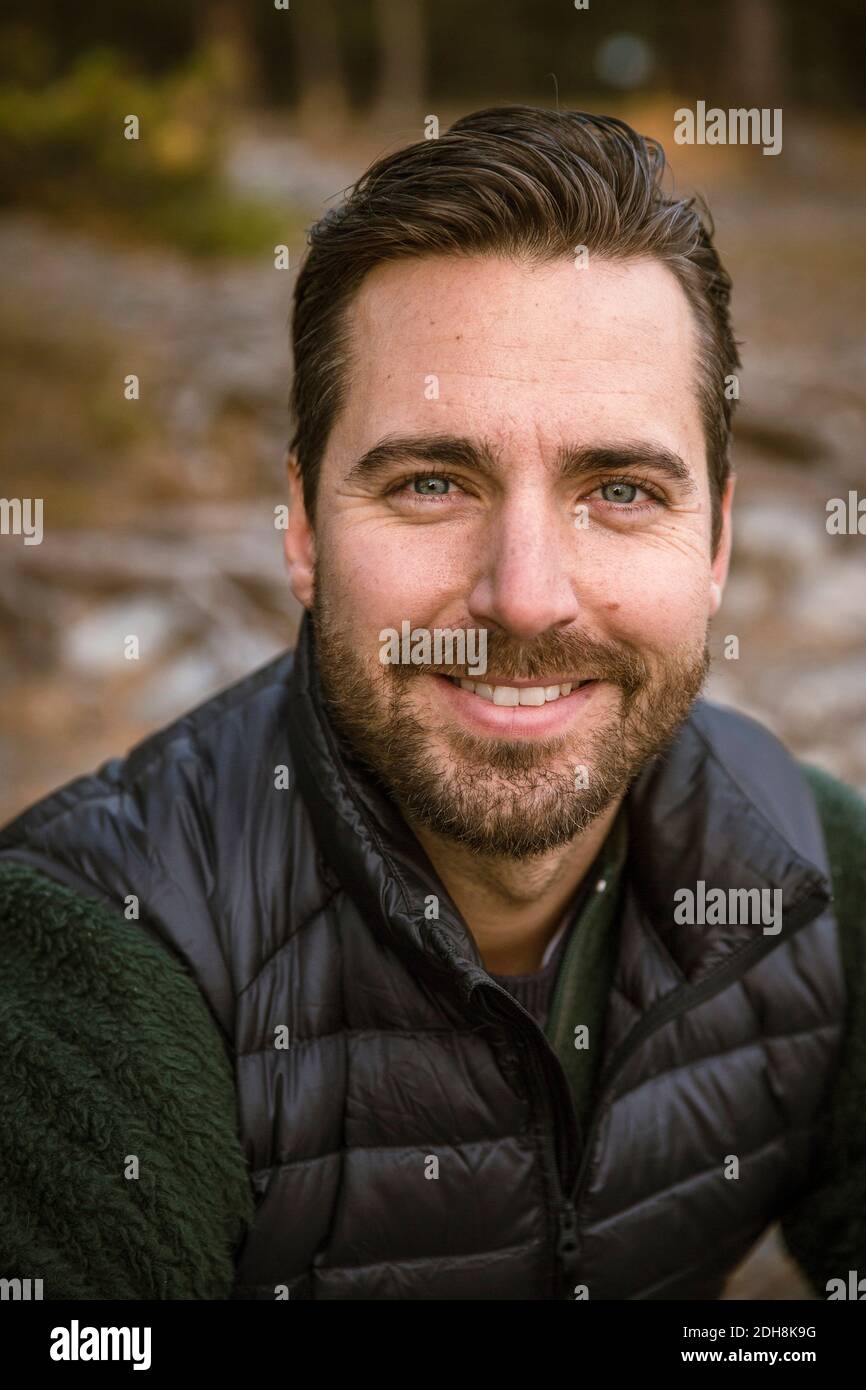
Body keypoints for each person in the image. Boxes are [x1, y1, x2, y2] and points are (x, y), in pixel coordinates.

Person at [1, 106, 864, 1301]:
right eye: (429, 480)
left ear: (715, 538)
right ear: (302, 527)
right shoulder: (88, 968)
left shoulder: (815, 870)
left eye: (616, 488)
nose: (524, 598)